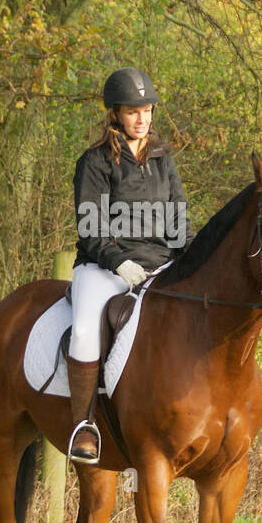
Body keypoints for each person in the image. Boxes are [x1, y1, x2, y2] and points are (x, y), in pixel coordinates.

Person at [67, 67, 188, 463]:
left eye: (147, 110)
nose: (142, 118)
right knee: (85, 328)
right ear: (116, 113)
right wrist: (120, 263)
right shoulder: (95, 162)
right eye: (133, 111)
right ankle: (84, 425)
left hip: (158, 267)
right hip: (103, 268)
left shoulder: (163, 160)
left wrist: (187, 259)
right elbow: (90, 229)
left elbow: (178, 222)